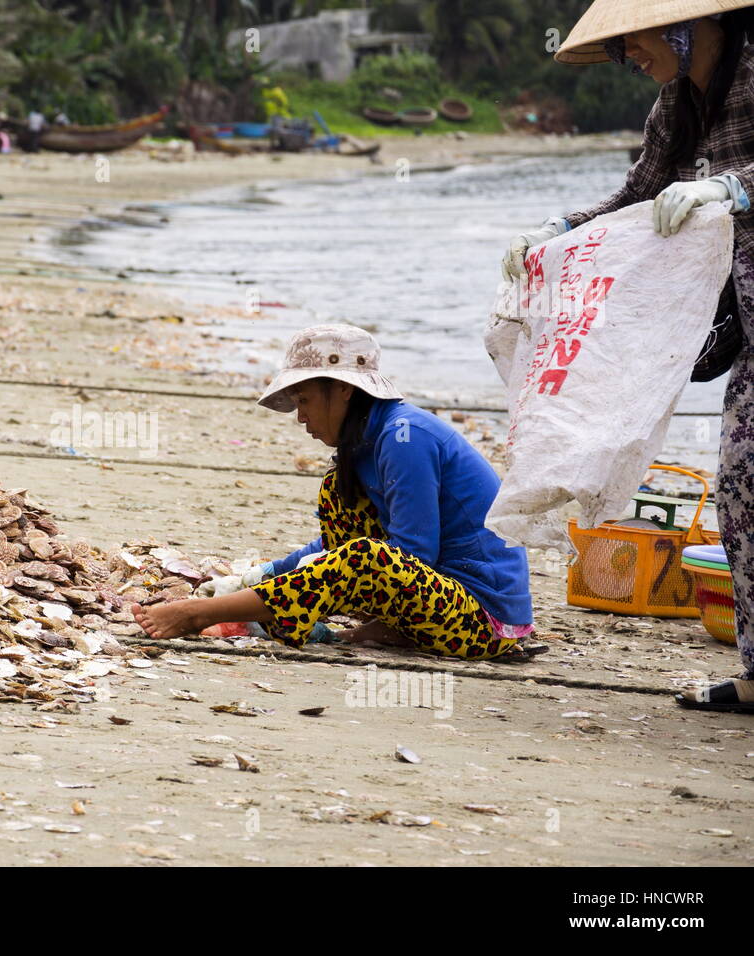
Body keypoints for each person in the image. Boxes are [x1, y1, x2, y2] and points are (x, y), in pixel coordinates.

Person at [502, 1, 754, 712]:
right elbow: (636, 197)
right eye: (615, 51)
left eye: (631, 43)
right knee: (740, 488)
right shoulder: (674, 108)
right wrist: (558, 232)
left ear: (687, 24)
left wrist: (734, 188)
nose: (628, 59)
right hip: (746, 321)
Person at [130, 325, 535, 660]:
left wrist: (246, 597)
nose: (301, 416)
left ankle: (196, 615)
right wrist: (263, 575)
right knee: (336, 495)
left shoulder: (405, 436)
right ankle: (296, 614)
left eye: (304, 399)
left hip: (486, 623)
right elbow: (337, 545)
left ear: (343, 390)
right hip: (434, 606)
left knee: (366, 558)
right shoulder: (362, 446)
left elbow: (407, 558)